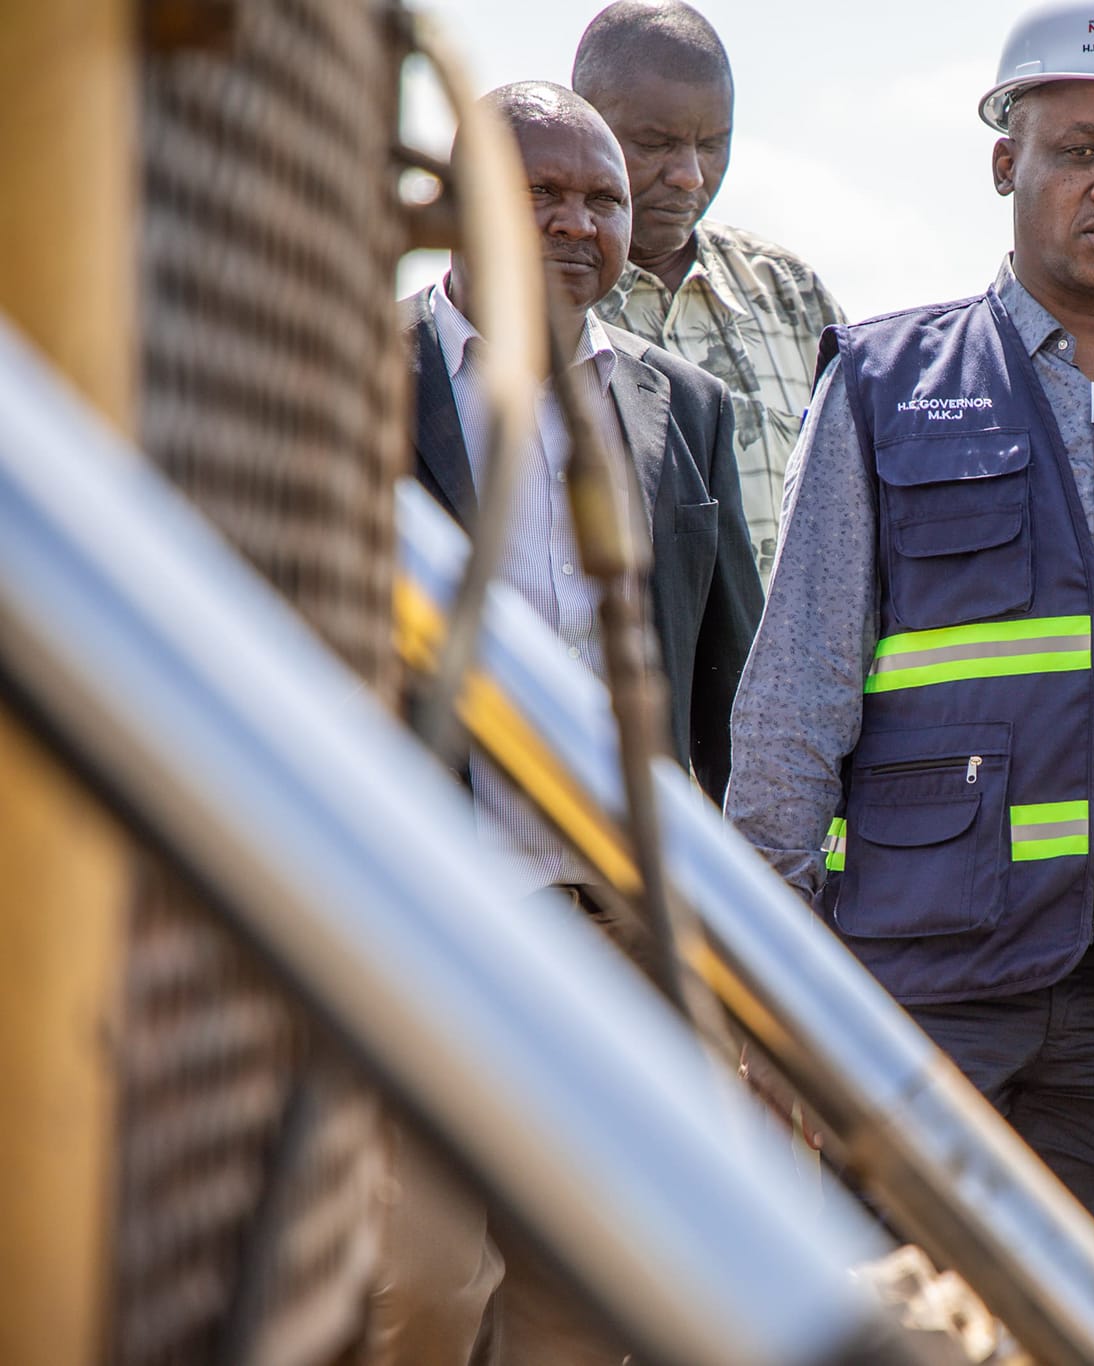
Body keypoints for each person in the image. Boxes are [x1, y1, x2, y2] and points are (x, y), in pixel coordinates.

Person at [722, 1, 1094, 1243]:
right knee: (902, 1324)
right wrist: (768, 997)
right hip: (916, 994)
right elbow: (793, 706)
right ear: (1008, 160)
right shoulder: (885, 387)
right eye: (1080, 150)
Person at [378, 80, 761, 1366]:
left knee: (584, 1296)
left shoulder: (684, 407)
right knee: (418, 1285)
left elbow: (729, 689)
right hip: (421, 920)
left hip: (615, 934)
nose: (579, 220)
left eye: (601, 197)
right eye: (542, 189)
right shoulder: (355, 372)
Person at [573, 0, 846, 580]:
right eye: (655, 143)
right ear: (585, 126)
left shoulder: (791, 295)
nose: (690, 175)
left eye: (712, 144)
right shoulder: (542, 302)